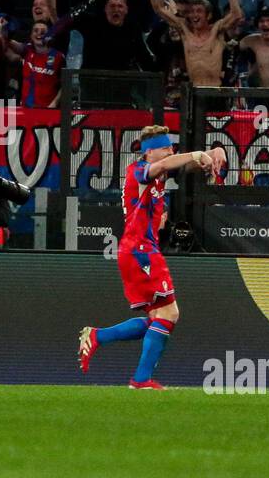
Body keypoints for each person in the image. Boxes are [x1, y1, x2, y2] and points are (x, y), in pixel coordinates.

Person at [78, 125, 225, 389]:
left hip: (137, 250)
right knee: (169, 314)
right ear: (149, 152)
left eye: (171, 146)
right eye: (165, 147)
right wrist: (196, 154)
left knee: (158, 316)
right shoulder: (139, 171)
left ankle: (98, 336)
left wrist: (213, 152)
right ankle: (140, 379)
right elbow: (169, 164)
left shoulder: (159, 172)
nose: (170, 151)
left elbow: (182, 166)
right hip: (140, 250)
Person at [148, 0, 245, 87]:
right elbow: (159, 9)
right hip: (193, 90)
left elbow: (236, 15)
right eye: (192, 11)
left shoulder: (217, 30)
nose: (194, 15)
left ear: (208, 16)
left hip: (215, 90)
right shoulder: (184, 29)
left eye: (199, 11)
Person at [21, 21, 64, 107]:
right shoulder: (26, 52)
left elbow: (66, 85)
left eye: (43, 32)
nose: (39, 33)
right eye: (36, 31)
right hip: (25, 109)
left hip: (48, 111)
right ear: (31, 35)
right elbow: (5, 46)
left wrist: (54, 104)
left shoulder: (59, 57)